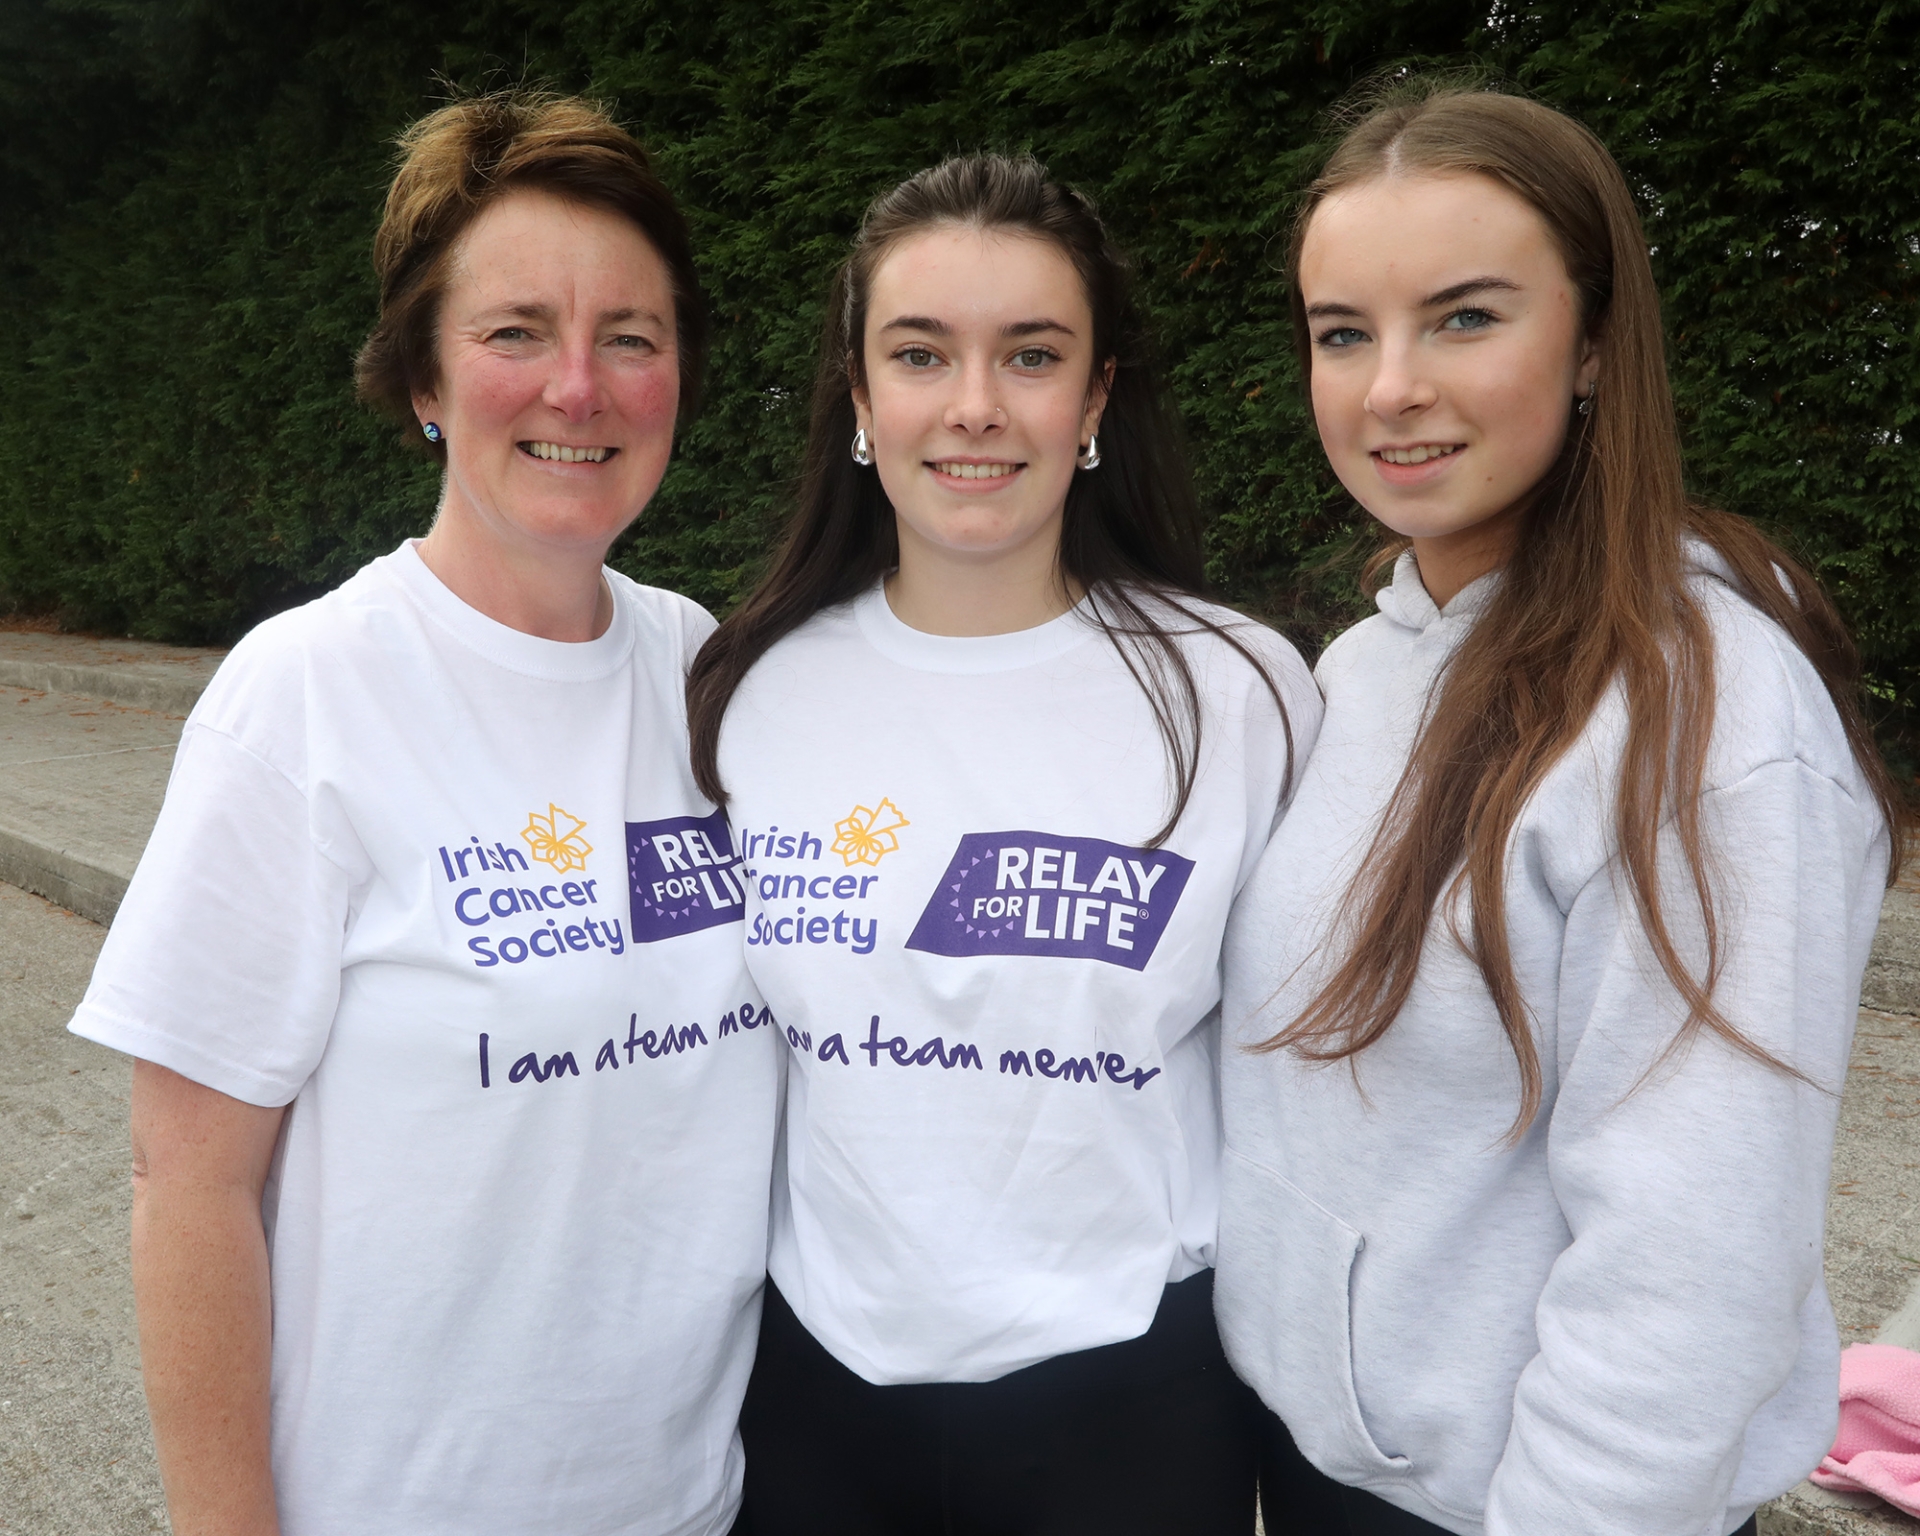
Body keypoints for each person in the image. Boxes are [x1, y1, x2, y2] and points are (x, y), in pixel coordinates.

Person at [68, 91, 776, 1536]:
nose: (576, 386)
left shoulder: (707, 676)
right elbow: (186, 1187)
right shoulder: (309, 696)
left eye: (628, 337)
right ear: (425, 381)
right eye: (515, 331)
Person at [1215, 82, 1909, 1536]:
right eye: (1344, 332)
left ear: (1595, 345)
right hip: (1325, 1470)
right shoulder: (1354, 668)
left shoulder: (1703, 716)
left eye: (1464, 318)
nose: (1389, 384)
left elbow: (1691, 1264)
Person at [683, 153, 1322, 1534]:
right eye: (921, 354)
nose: (975, 407)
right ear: (859, 398)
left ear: (1095, 399)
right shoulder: (750, 690)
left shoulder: (1246, 693)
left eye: (1031, 355)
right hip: (814, 1409)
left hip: (1132, 1416)